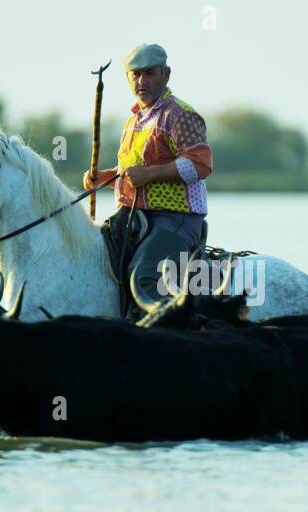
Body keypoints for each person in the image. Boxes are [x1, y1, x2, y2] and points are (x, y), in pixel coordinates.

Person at [83, 43, 213, 311]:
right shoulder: (133, 120)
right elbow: (132, 172)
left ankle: (172, 334)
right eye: (135, 74)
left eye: (149, 73)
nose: (141, 81)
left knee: (144, 278)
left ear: (166, 75)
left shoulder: (180, 115)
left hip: (177, 218)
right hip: (135, 218)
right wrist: (106, 178)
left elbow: (200, 164)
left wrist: (149, 175)